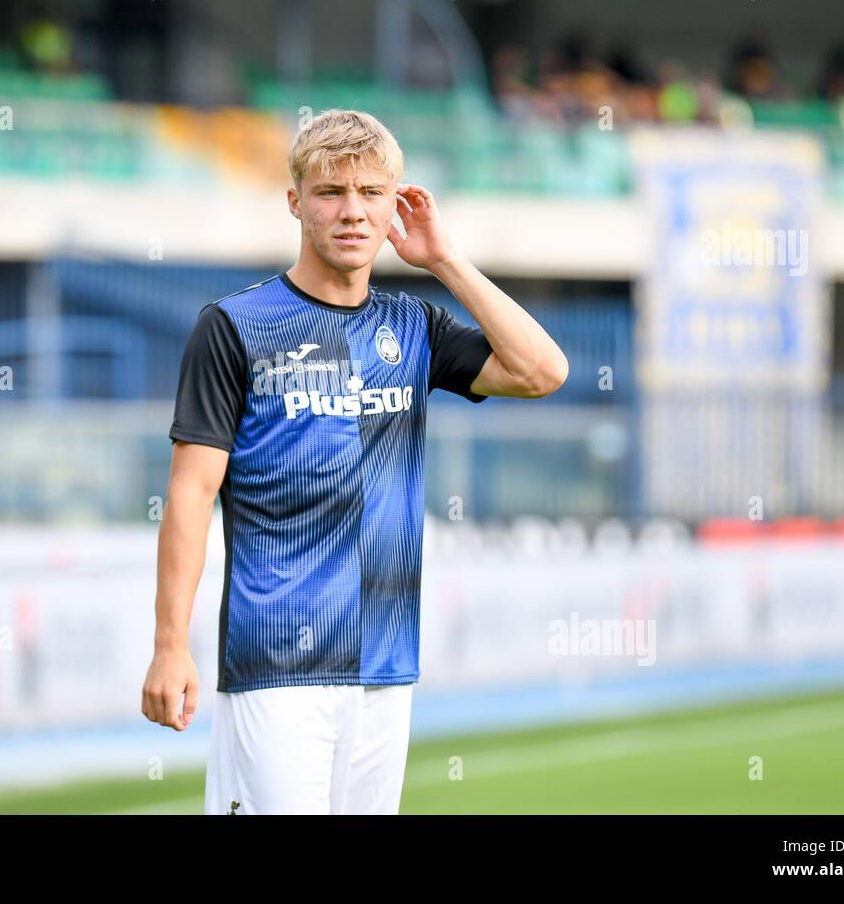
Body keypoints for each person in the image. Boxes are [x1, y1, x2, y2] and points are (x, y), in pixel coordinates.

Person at [140, 109, 569, 814]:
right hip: (274, 666)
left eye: (371, 193)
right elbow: (190, 494)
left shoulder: (415, 327)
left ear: (394, 204)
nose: (352, 211)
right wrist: (169, 645)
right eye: (331, 192)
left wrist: (445, 261)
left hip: (385, 669)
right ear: (295, 203)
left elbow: (542, 370)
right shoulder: (234, 327)